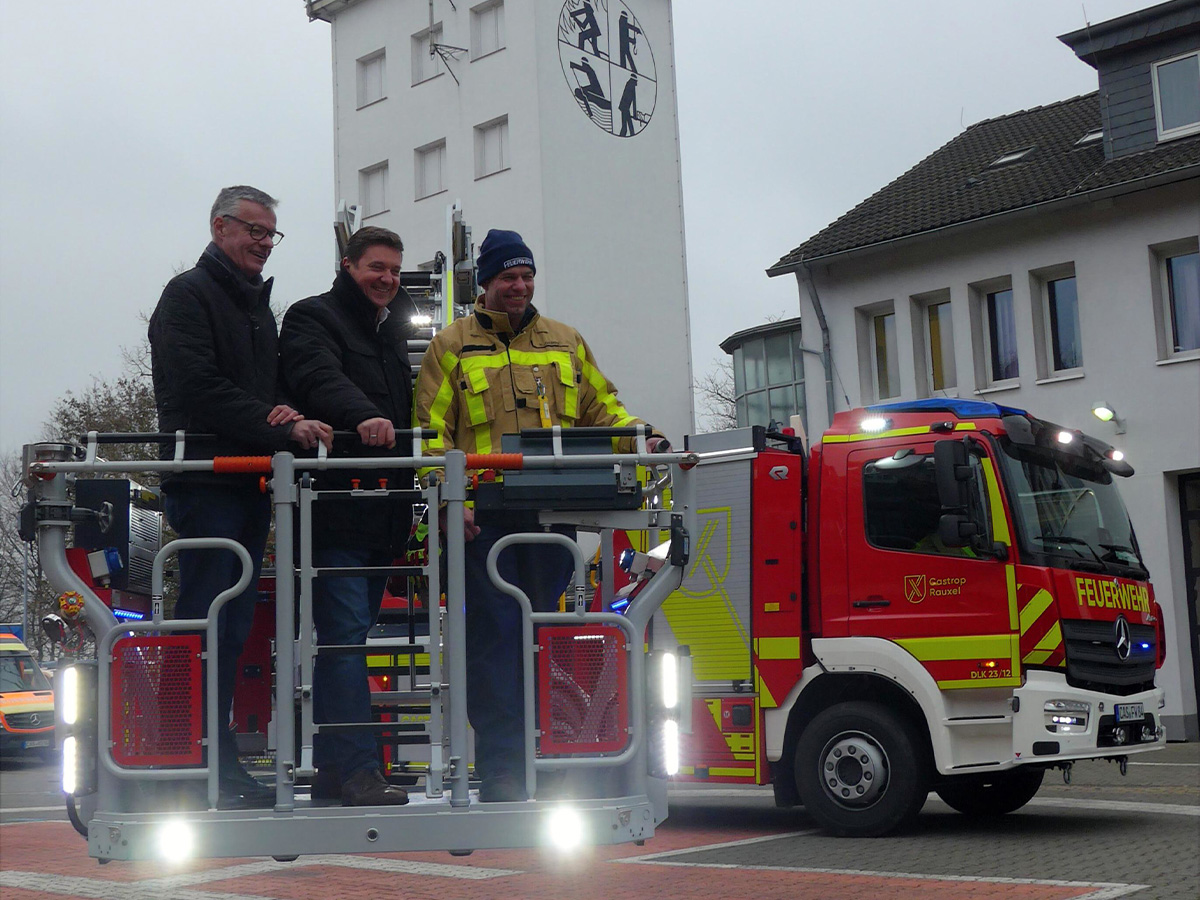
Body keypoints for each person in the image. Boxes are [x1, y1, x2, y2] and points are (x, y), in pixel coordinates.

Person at [414, 229, 668, 802]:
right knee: (495, 641)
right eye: (508, 277)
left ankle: (552, 759)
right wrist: (450, 503)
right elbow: (430, 435)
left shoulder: (566, 340)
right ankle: (503, 769)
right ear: (485, 284)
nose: (520, 286)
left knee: (550, 637)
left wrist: (643, 438)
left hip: (554, 515)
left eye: (527, 276)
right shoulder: (451, 345)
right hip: (483, 519)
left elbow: (604, 407)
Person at [149, 185, 333, 808]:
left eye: (270, 233)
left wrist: (282, 412)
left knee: (230, 622)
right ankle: (189, 753)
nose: (264, 242)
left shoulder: (254, 306)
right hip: (207, 480)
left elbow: (259, 391)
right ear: (219, 227)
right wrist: (275, 424)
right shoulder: (187, 296)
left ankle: (207, 753)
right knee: (209, 617)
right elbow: (198, 386)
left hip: (244, 480)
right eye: (254, 230)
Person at [279, 226, 415, 807]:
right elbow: (317, 376)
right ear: (348, 265)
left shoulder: (390, 333)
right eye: (376, 267)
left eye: (394, 270)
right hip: (335, 511)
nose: (387, 279)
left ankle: (336, 770)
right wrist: (363, 416)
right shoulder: (312, 317)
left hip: (382, 515)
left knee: (347, 639)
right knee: (343, 640)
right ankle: (359, 770)